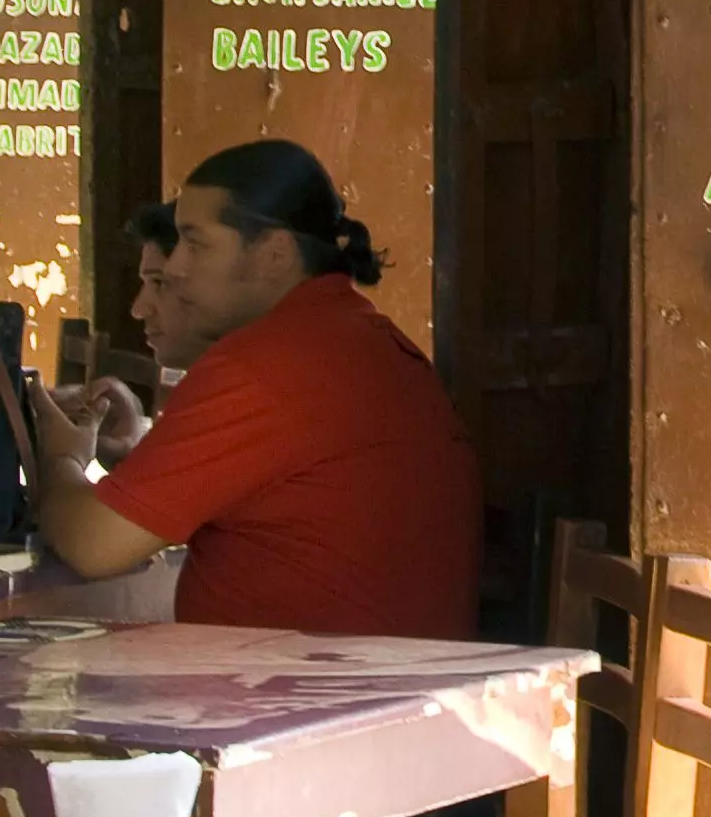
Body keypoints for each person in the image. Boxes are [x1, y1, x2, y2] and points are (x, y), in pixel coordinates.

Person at [30, 142, 479, 636]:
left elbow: (94, 545)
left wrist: (62, 459)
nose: (176, 268)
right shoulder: (353, 333)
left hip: (317, 694)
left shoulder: (269, 363)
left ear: (274, 254)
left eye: (196, 244)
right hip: (385, 682)